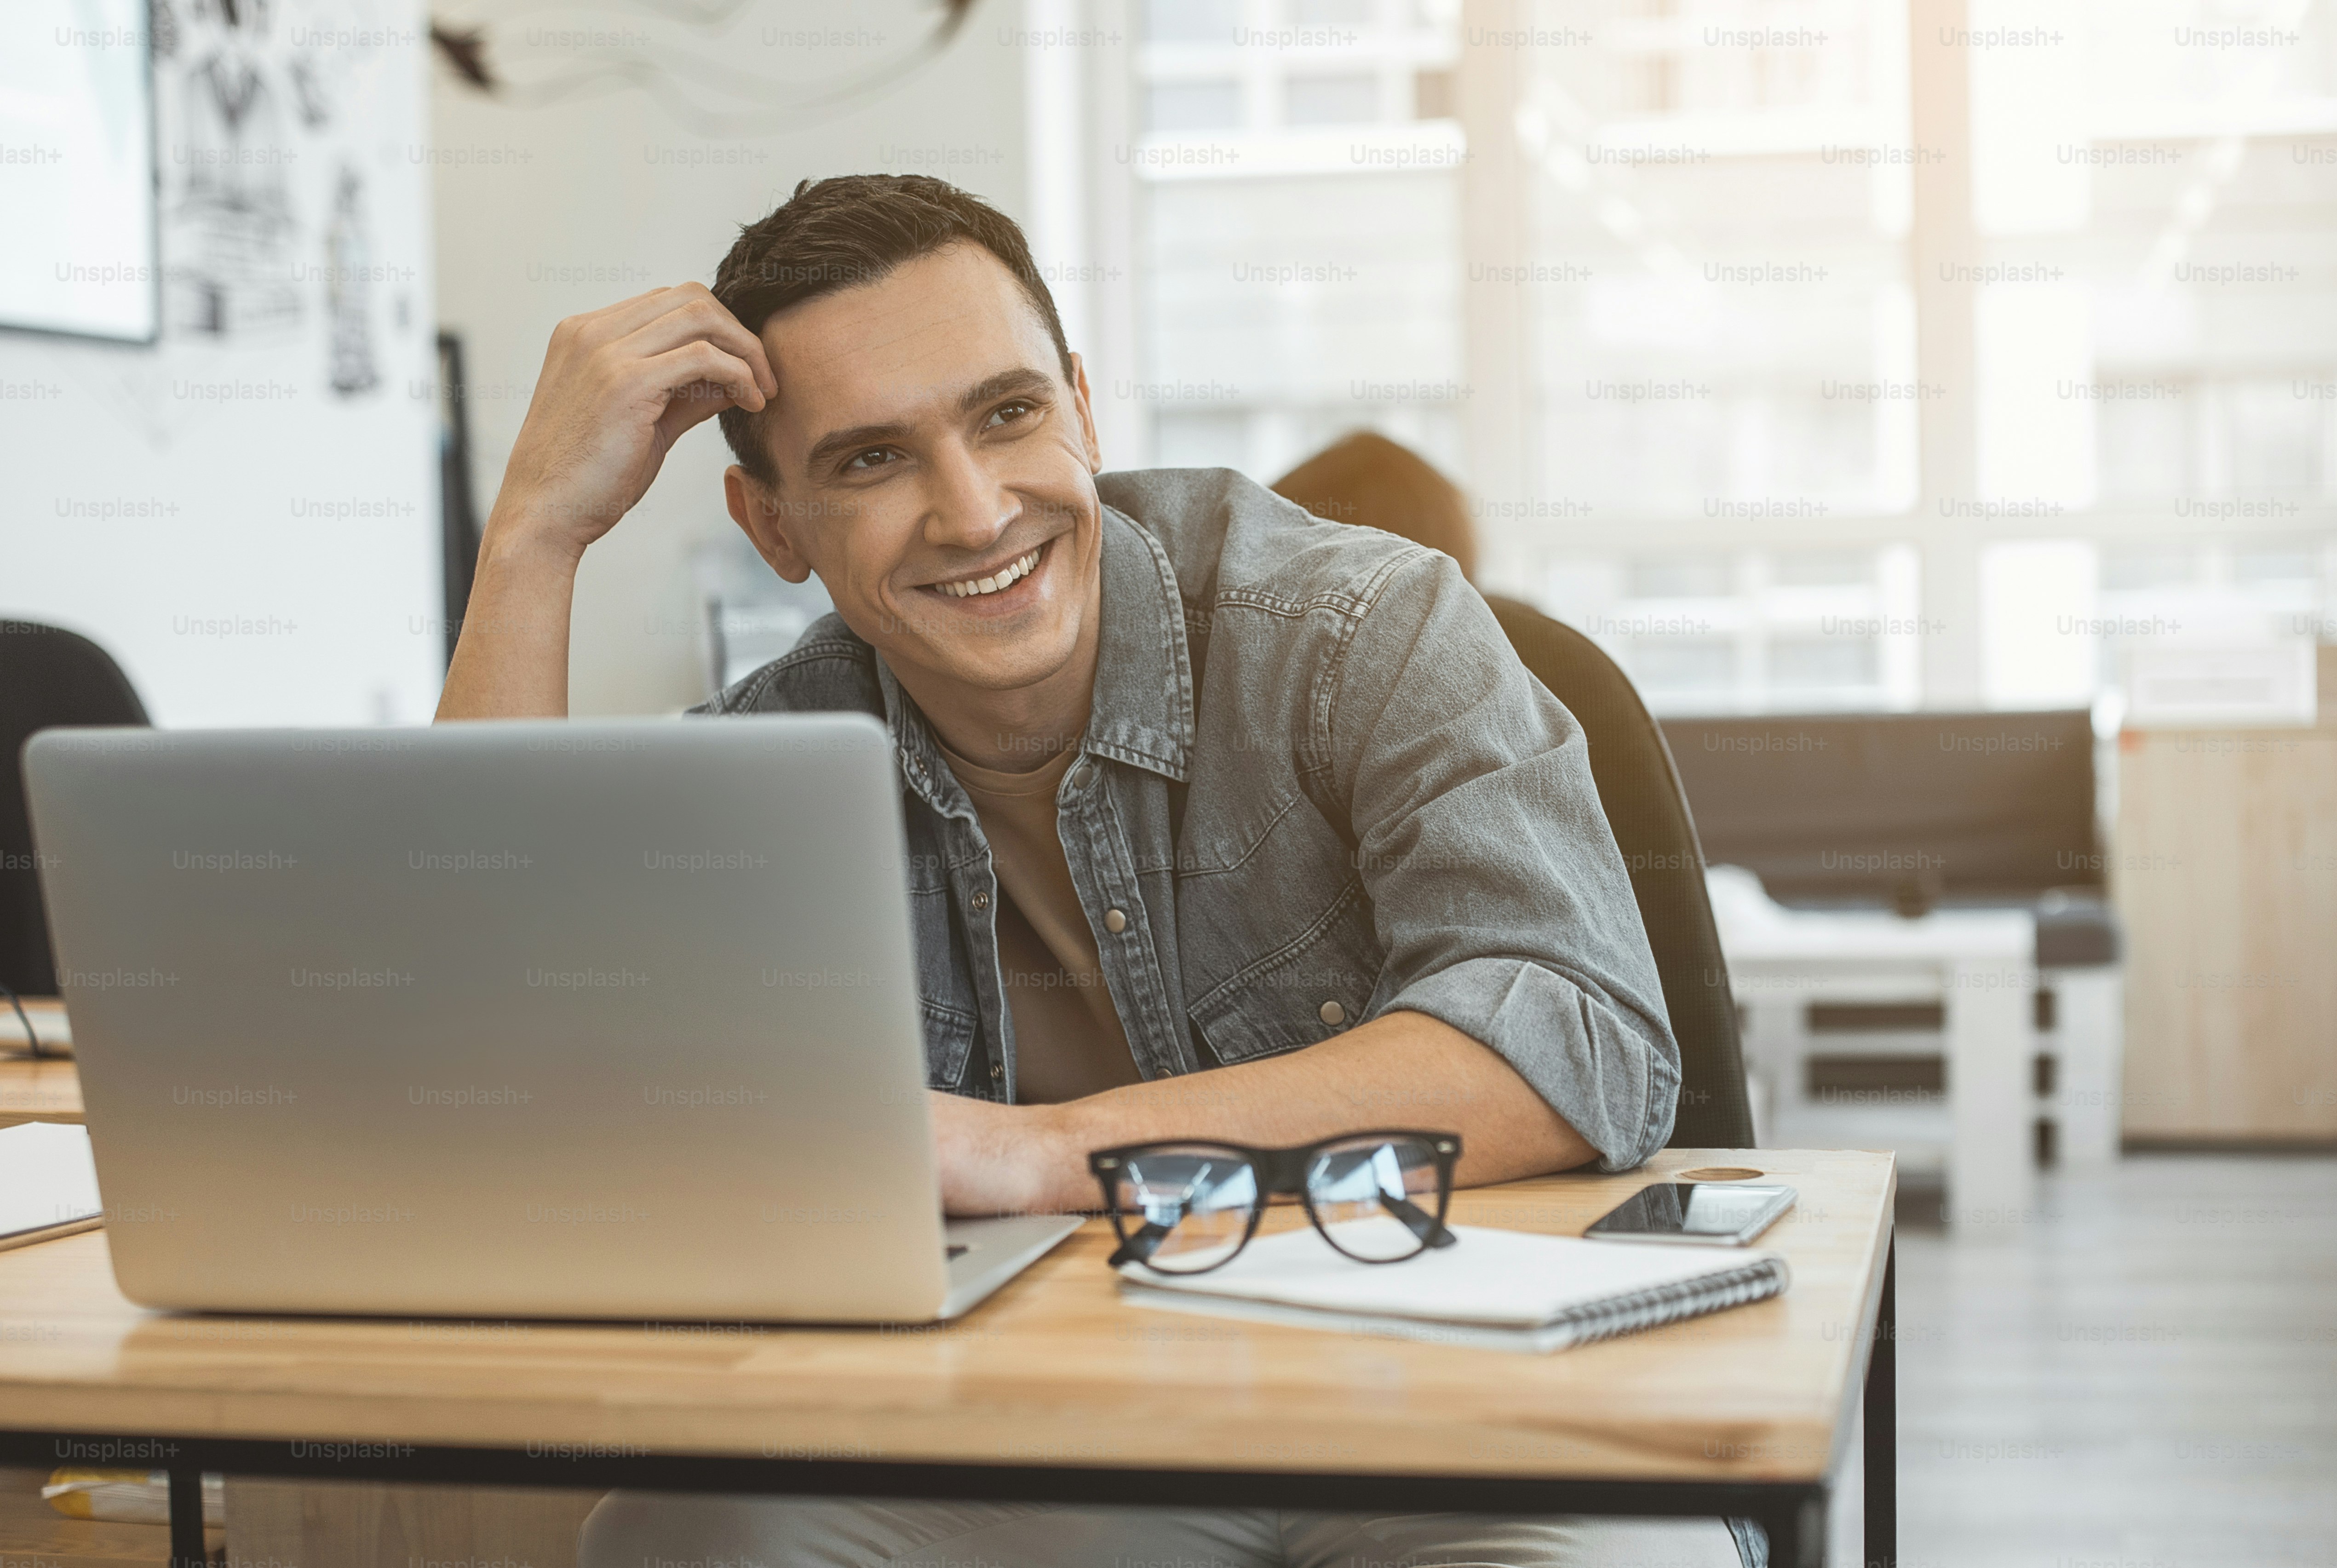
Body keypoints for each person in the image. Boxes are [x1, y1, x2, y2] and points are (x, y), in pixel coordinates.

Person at [438, 174, 1736, 1568]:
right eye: (871, 460)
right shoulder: (773, 760)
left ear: (1081, 406)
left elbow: (1571, 1034)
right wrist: (533, 536)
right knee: (679, 1538)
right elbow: (481, 1077)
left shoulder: (1365, 626)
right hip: (1061, 1432)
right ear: (774, 528)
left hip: (1475, 1412)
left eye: (1006, 415)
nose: (974, 510)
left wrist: (1042, 1151)